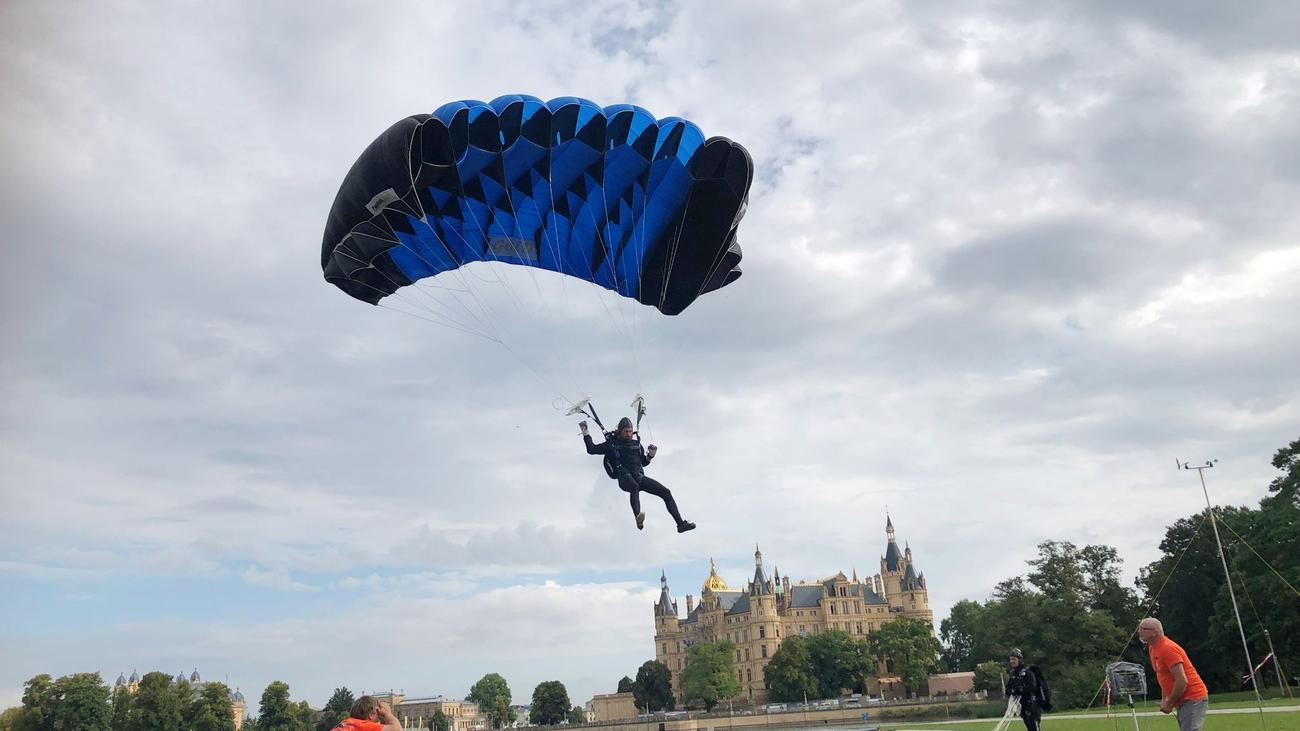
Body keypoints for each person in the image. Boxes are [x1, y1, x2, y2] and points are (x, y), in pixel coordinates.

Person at [581, 416, 695, 533]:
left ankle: (681, 525)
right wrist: (585, 432)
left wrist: (650, 455)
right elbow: (591, 449)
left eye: (630, 431)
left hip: (639, 477)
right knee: (634, 487)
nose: (628, 434)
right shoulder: (611, 445)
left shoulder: (636, 444)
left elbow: (643, 463)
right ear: (620, 432)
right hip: (624, 478)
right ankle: (638, 517)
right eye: (626, 432)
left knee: (666, 492)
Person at [1138, 618, 1209, 731]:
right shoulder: (1153, 648)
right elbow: (1162, 675)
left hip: (1192, 697)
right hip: (1181, 700)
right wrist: (1165, 700)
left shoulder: (1167, 648)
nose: (1139, 631)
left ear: (1154, 632)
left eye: (1143, 629)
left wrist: (1169, 702)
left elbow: (1182, 680)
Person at [1004, 649, 1043, 731]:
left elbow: (1032, 686)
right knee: (1029, 727)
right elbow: (1008, 689)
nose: (1011, 661)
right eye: (1010, 659)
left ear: (1019, 660)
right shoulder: (1014, 675)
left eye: (1014, 659)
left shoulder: (1028, 672)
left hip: (1032, 705)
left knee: (1034, 728)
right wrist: (1011, 691)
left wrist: (1020, 690)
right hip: (1023, 706)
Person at [331, 695, 402, 731]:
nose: (380, 718)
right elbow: (397, 729)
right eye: (378, 714)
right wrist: (387, 714)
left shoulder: (346, 723)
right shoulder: (363, 725)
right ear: (371, 715)